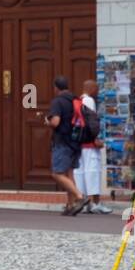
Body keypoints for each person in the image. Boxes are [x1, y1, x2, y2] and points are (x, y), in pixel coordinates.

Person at [45, 76, 89, 215]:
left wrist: (48, 121)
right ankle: (71, 205)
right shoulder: (75, 99)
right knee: (69, 173)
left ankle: (79, 196)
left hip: (63, 141)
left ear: (56, 87)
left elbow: (56, 122)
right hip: (75, 142)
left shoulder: (58, 101)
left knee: (57, 173)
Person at [73, 78, 112, 213]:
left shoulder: (78, 101)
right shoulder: (89, 101)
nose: (98, 92)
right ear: (91, 89)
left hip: (79, 143)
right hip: (89, 143)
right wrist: (95, 139)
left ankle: (83, 200)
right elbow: (91, 121)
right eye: (96, 89)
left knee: (80, 172)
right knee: (93, 171)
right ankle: (95, 202)